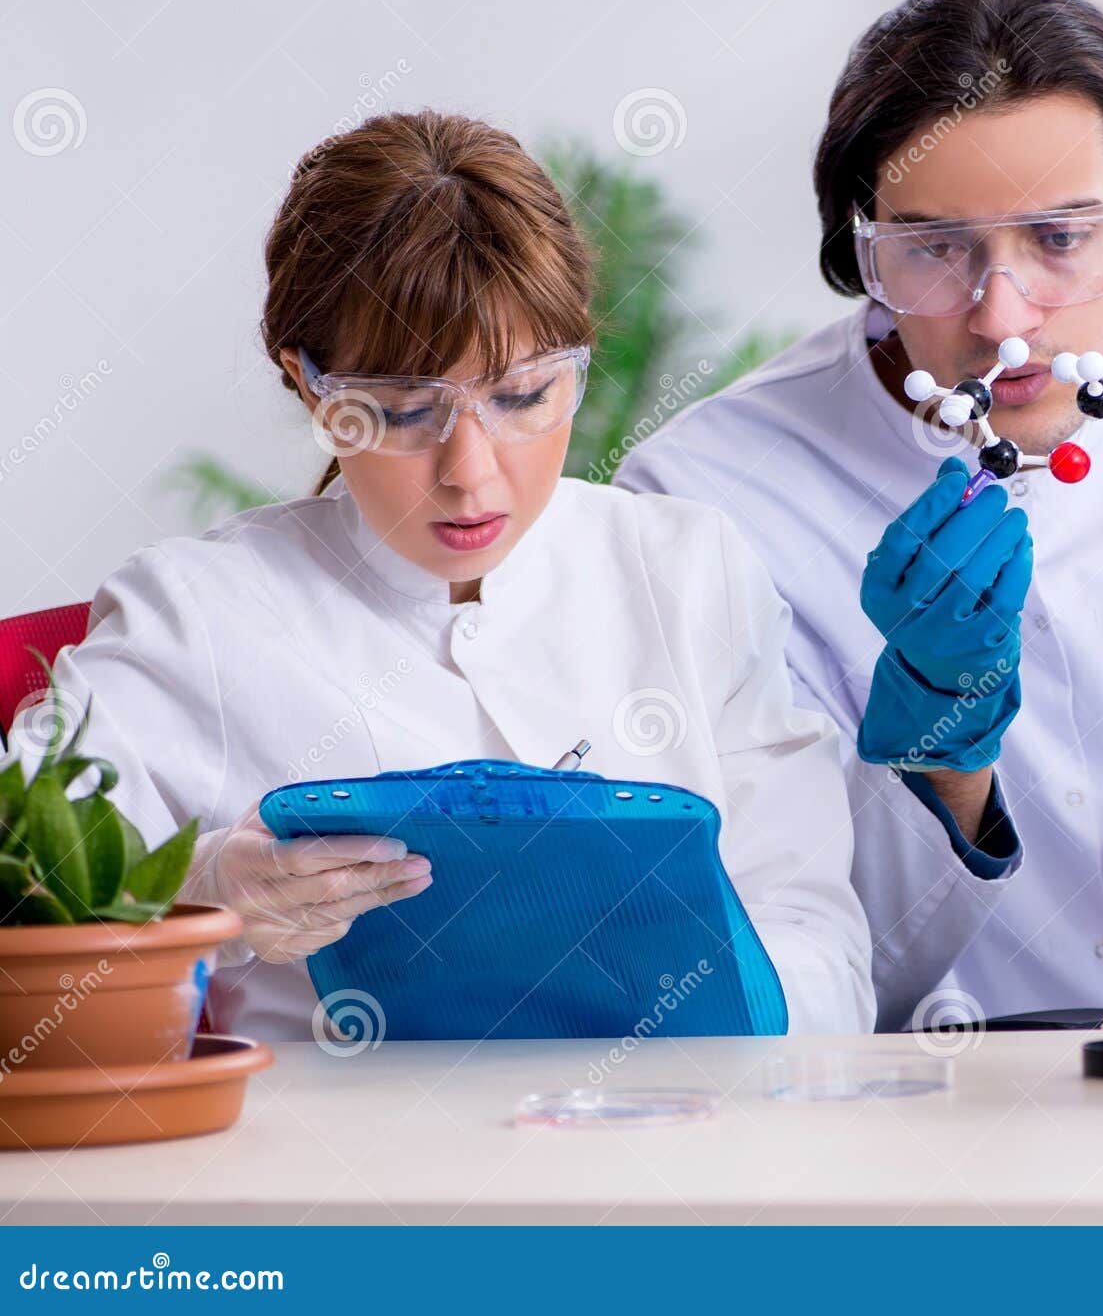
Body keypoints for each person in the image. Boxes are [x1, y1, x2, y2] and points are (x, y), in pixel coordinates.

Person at [616, 0, 1103, 1031]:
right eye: (933, 248)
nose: (1001, 314)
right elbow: (762, 979)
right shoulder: (704, 498)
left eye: (1061, 239)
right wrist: (939, 765)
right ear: (860, 249)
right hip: (922, 1128)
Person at [48, 111, 874, 1042]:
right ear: (312, 385)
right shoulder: (193, 613)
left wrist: (734, 1016)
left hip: (669, 1146)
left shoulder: (688, 569)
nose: (470, 473)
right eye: (400, 413)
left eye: (525, 395)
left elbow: (819, 939)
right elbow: (28, 886)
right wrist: (200, 894)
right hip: (325, 1172)